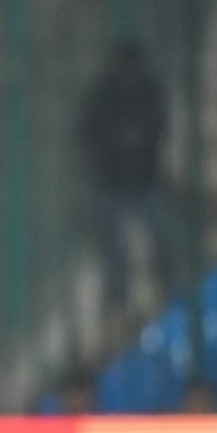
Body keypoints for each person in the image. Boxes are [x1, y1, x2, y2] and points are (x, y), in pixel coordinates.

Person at [77, 39, 179, 318]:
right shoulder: (103, 94)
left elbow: (160, 125)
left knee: (160, 235)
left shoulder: (150, 91)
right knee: (114, 244)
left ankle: (169, 292)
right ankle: (116, 300)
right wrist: (116, 141)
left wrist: (140, 138)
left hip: (146, 177)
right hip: (112, 180)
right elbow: (88, 130)